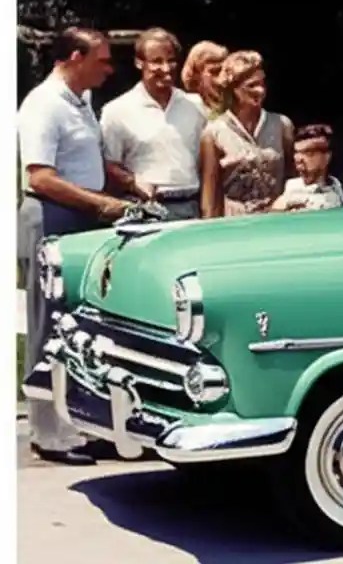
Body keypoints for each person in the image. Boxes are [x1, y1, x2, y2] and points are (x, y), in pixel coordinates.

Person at [17, 26, 131, 465]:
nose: (109, 69)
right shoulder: (43, 105)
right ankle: (48, 433)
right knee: (49, 327)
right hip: (53, 217)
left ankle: (76, 424)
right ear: (74, 58)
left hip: (81, 219)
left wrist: (127, 185)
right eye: (102, 60)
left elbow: (87, 159)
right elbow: (40, 176)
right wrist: (103, 204)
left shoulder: (81, 102)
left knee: (79, 325)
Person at [100, 28, 207, 220]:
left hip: (191, 207)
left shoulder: (196, 105)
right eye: (157, 61)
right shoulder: (117, 110)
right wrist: (132, 181)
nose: (166, 69)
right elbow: (108, 164)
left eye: (171, 60)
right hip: (146, 209)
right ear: (139, 63)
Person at [199, 50, 294, 217]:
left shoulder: (282, 125)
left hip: (278, 218)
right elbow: (210, 197)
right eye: (251, 85)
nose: (260, 90)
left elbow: (294, 180)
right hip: (235, 222)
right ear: (234, 89)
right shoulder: (214, 132)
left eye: (262, 84)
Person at [270, 123, 343, 212]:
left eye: (308, 153)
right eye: (297, 153)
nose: (299, 159)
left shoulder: (336, 186)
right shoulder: (293, 190)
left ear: (327, 157)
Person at [180, 40, 229, 119]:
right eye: (215, 72)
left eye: (226, 72)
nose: (223, 79)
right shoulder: (184, 109)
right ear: (195, 75)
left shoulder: (233, 109)